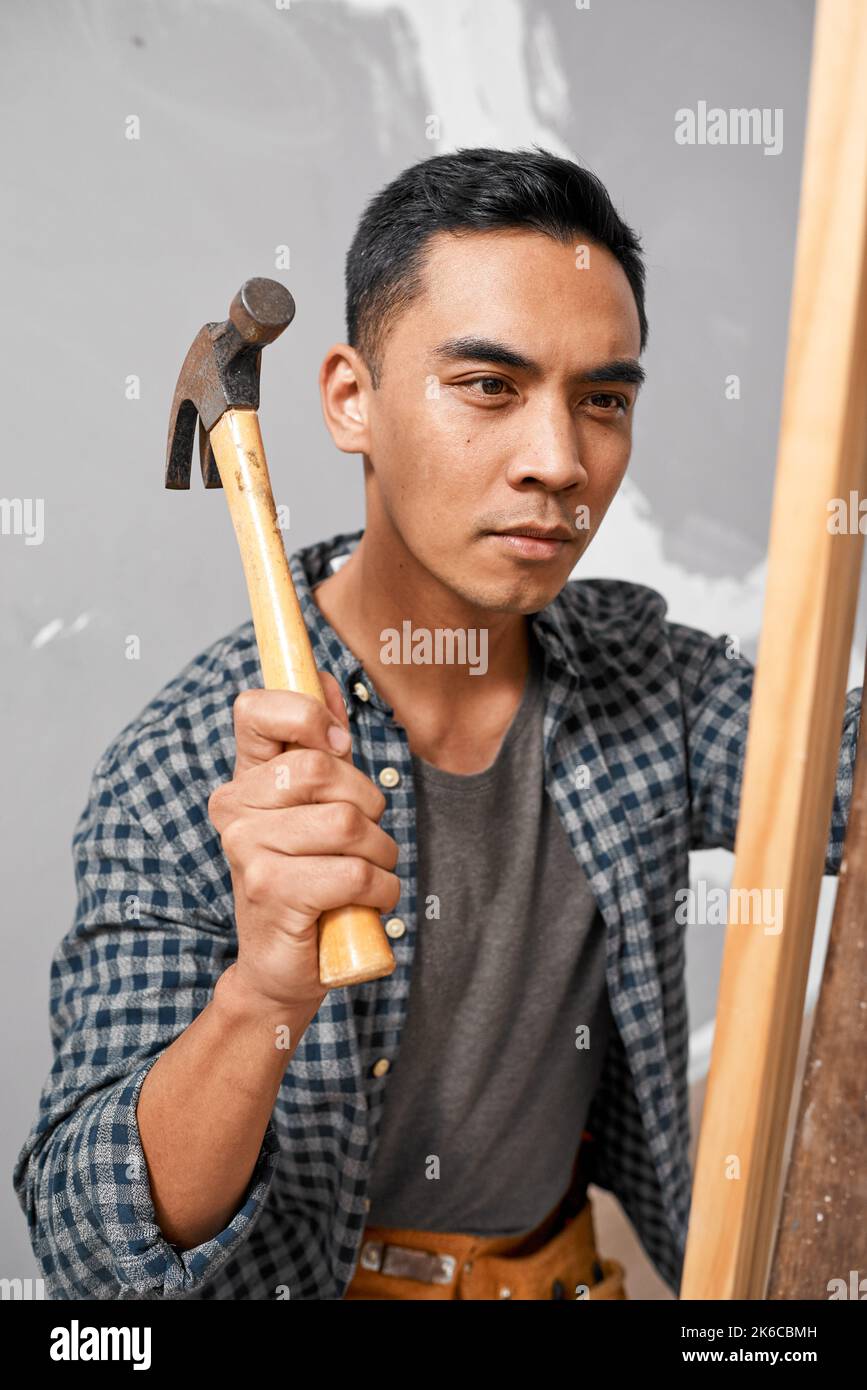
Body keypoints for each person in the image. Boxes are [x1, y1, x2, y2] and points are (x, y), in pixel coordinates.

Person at [13, 147, 860, 1301]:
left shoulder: (647, 678)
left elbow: (838, 778)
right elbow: (89, 1247)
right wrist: (264, 990)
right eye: (489, 387)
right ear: (349, 400)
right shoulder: (182, 769)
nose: (560, 463)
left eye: (602, 400)